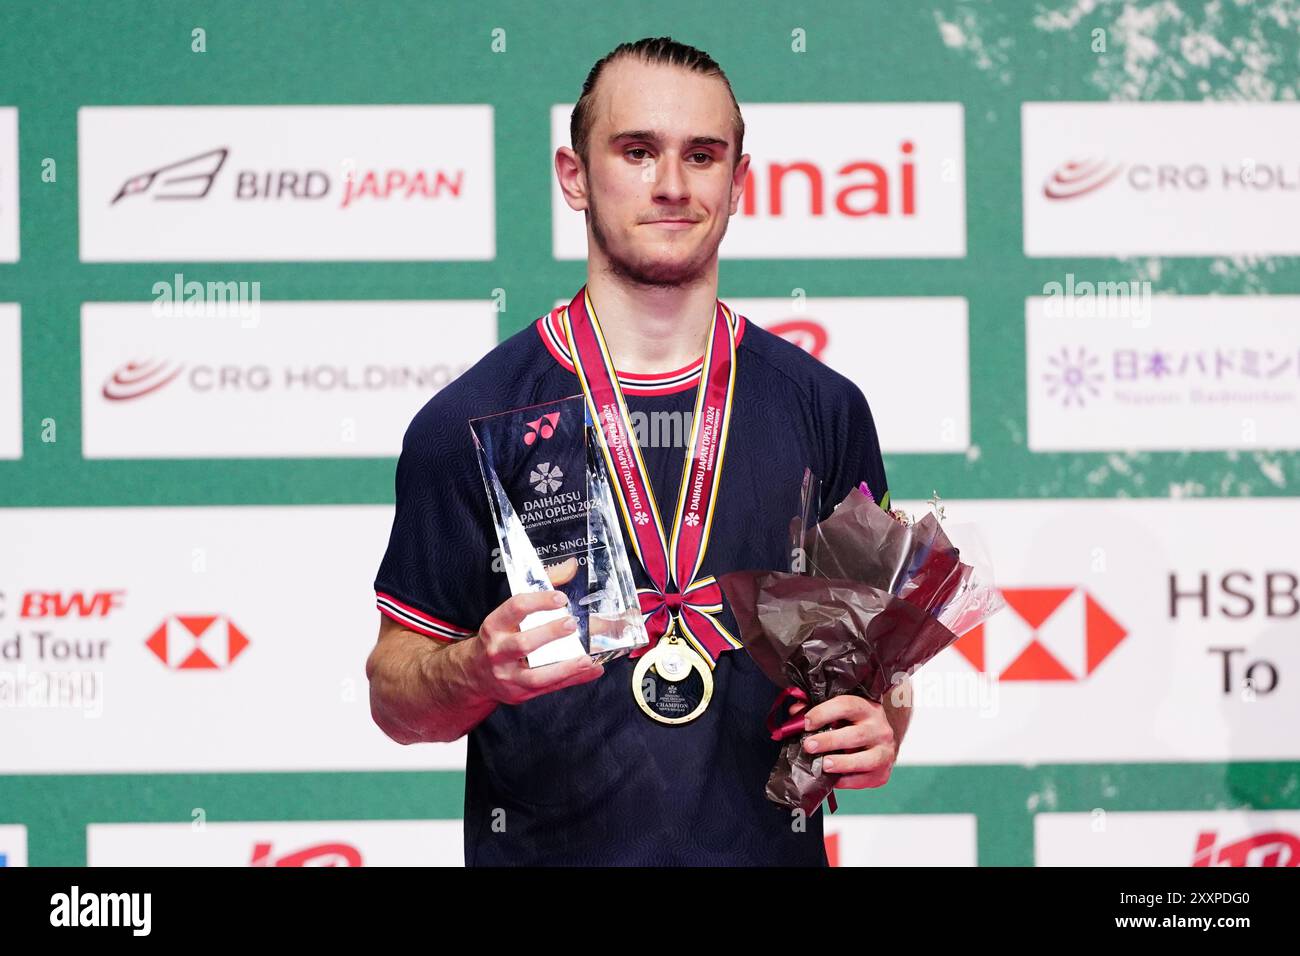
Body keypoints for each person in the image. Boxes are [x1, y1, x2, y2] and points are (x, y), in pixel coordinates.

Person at [366, 36, 908, 866]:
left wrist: (882, 723)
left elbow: (879, 667)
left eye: (702, 155)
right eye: (637, 151)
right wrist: (477, 669)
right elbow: (396, 700)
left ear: (739, 183)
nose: (672, 184)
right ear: (574, 175)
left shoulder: (824, 409)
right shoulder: (471, 419)